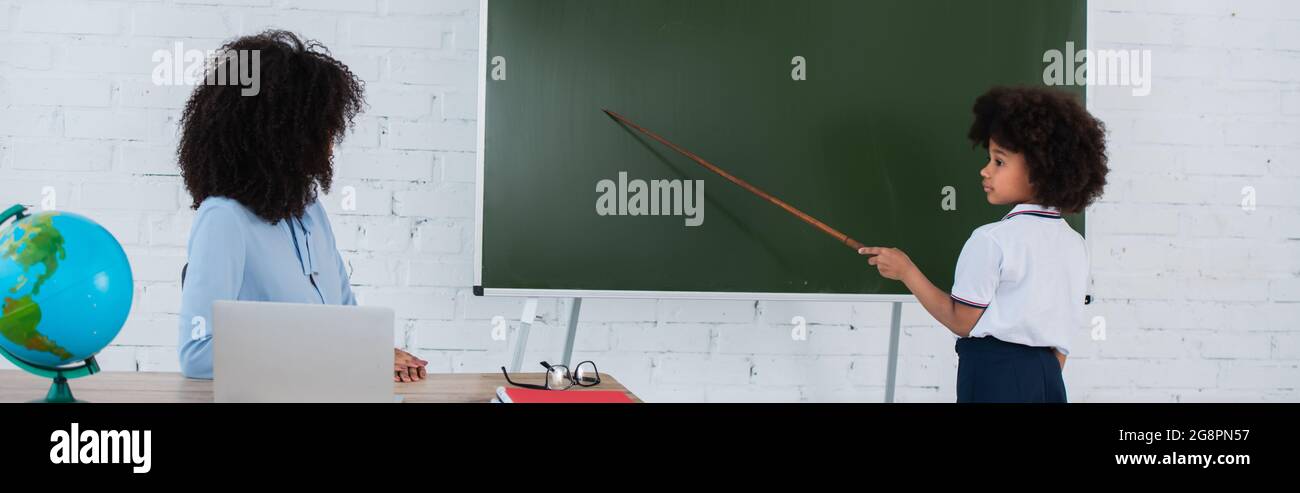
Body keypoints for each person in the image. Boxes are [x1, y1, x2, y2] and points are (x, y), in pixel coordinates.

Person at [175, 30, 428, 382]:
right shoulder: (224, 219)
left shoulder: (311, 213)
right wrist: (347, 354)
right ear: (280, 136)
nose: (329, 141)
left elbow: (344, 324)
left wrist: (374, 354)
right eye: (319, 127)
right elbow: (197, 354)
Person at [859, 86, 1108, 402]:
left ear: (1040, 170)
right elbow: (1063, 341)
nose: (985, 170)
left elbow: (961, 321)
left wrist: (906, 271)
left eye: (999, 162)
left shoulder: (993, 240)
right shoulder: (1076, 245)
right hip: (1049, 377)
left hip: (994, 375)